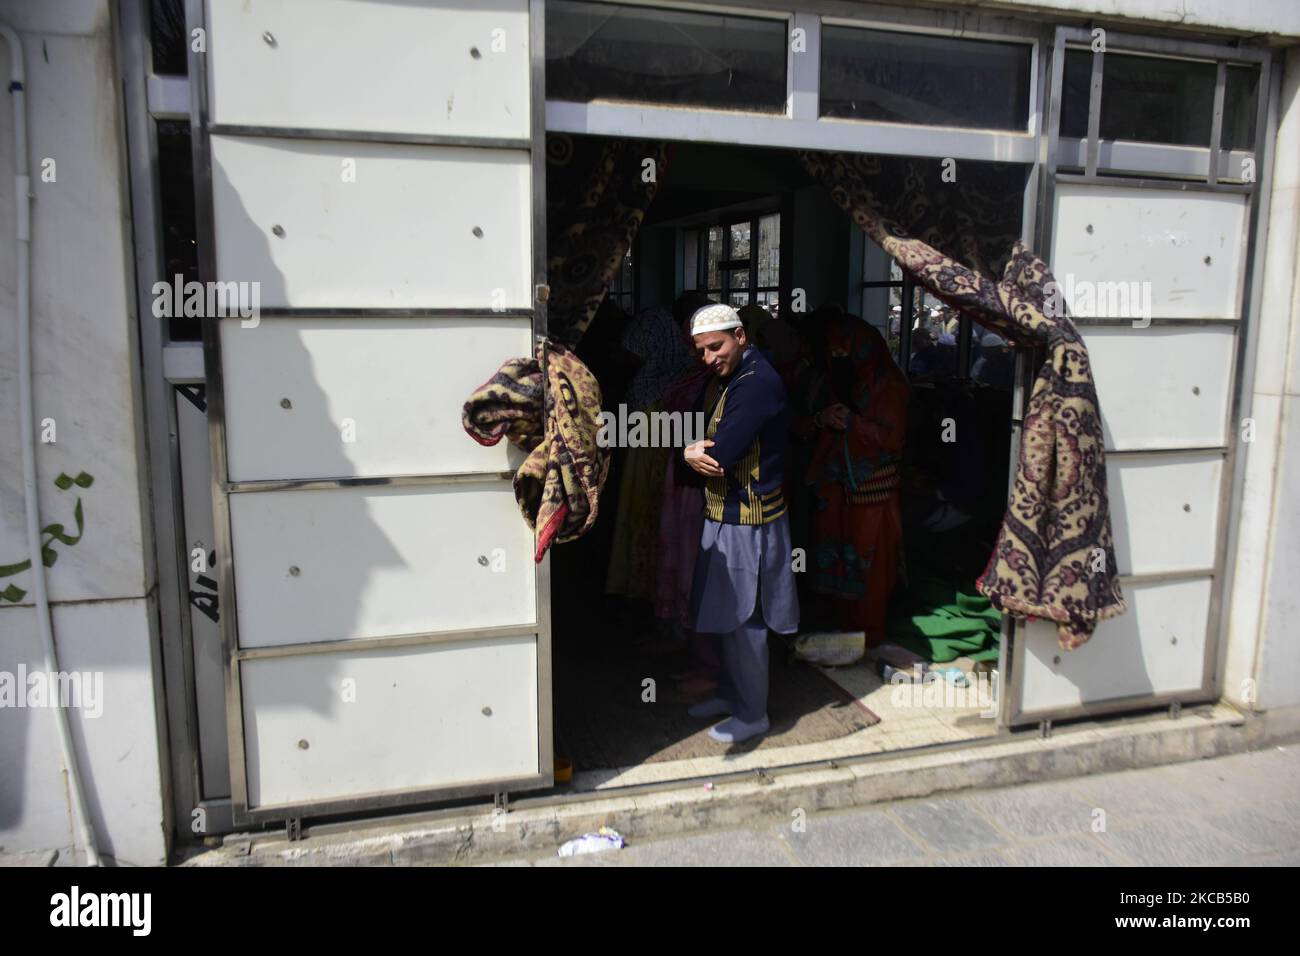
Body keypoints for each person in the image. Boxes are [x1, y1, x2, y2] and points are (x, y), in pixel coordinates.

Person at [681, 303, 799, 743]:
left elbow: (721, 452)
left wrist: (691, 452)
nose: (710, 357)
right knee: (727, 615)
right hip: (725, 514)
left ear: (741, 337)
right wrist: (690, 448)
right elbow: (692, 430)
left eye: (717, 346)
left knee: (747, 618)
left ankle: (753, 715)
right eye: (703, 351)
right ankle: (733, 697)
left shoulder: (756, 384)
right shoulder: (727, 378)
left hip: (749, 521)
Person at [804, 312, 909, 647]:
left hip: (872, 493)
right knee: (839, 560)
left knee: (870, 566)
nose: (838, 359)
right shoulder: (842, 381)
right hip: (840, 490)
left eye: (843, 352)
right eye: (833, 353)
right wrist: (824, 419)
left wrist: (852, 422)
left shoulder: (889, 386)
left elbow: (892, 439)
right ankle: (844, 630)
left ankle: (869, 635)